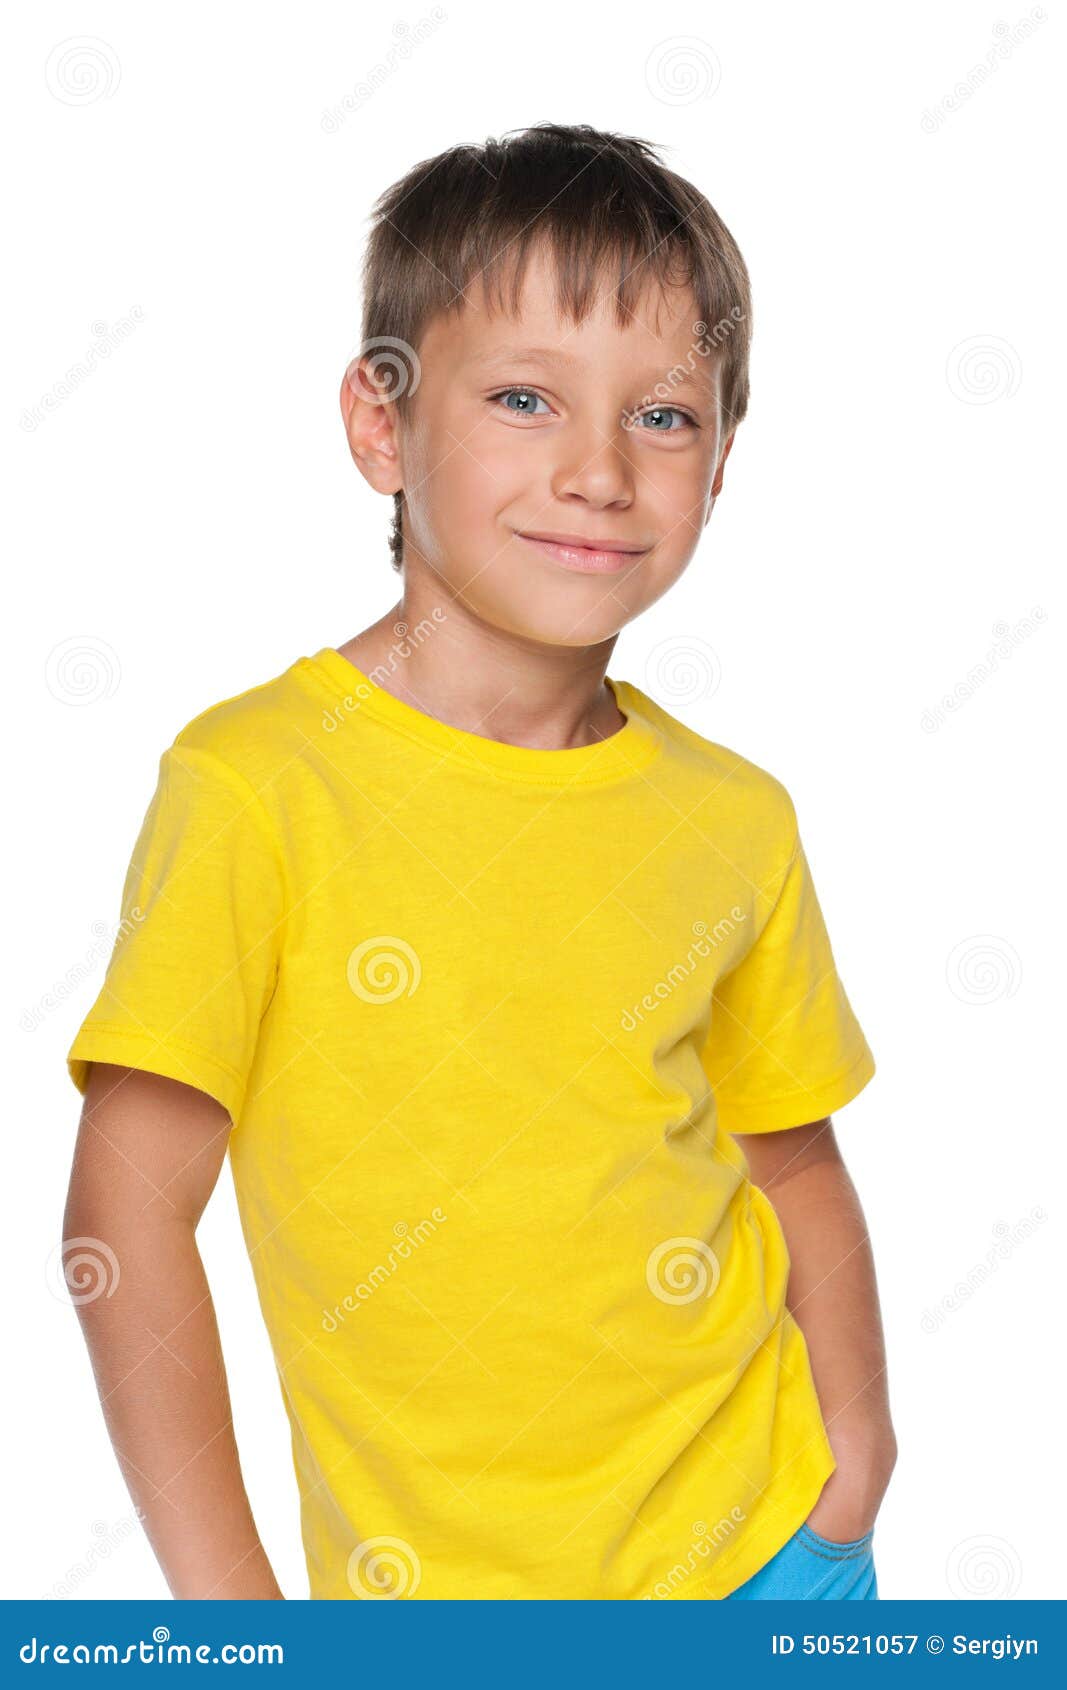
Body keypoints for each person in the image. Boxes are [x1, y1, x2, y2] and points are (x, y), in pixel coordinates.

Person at [63, 122, 896, 1601]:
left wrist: (856, 1458)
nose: (598, 471)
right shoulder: (257, 785)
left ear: (723, 462)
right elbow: (125, 1217)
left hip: (770, 1557)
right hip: (434, 1603)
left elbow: (790, 1155)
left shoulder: (735, 815)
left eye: (665, 416)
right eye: (524, 397)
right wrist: (232, 1608)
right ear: (382, 426)